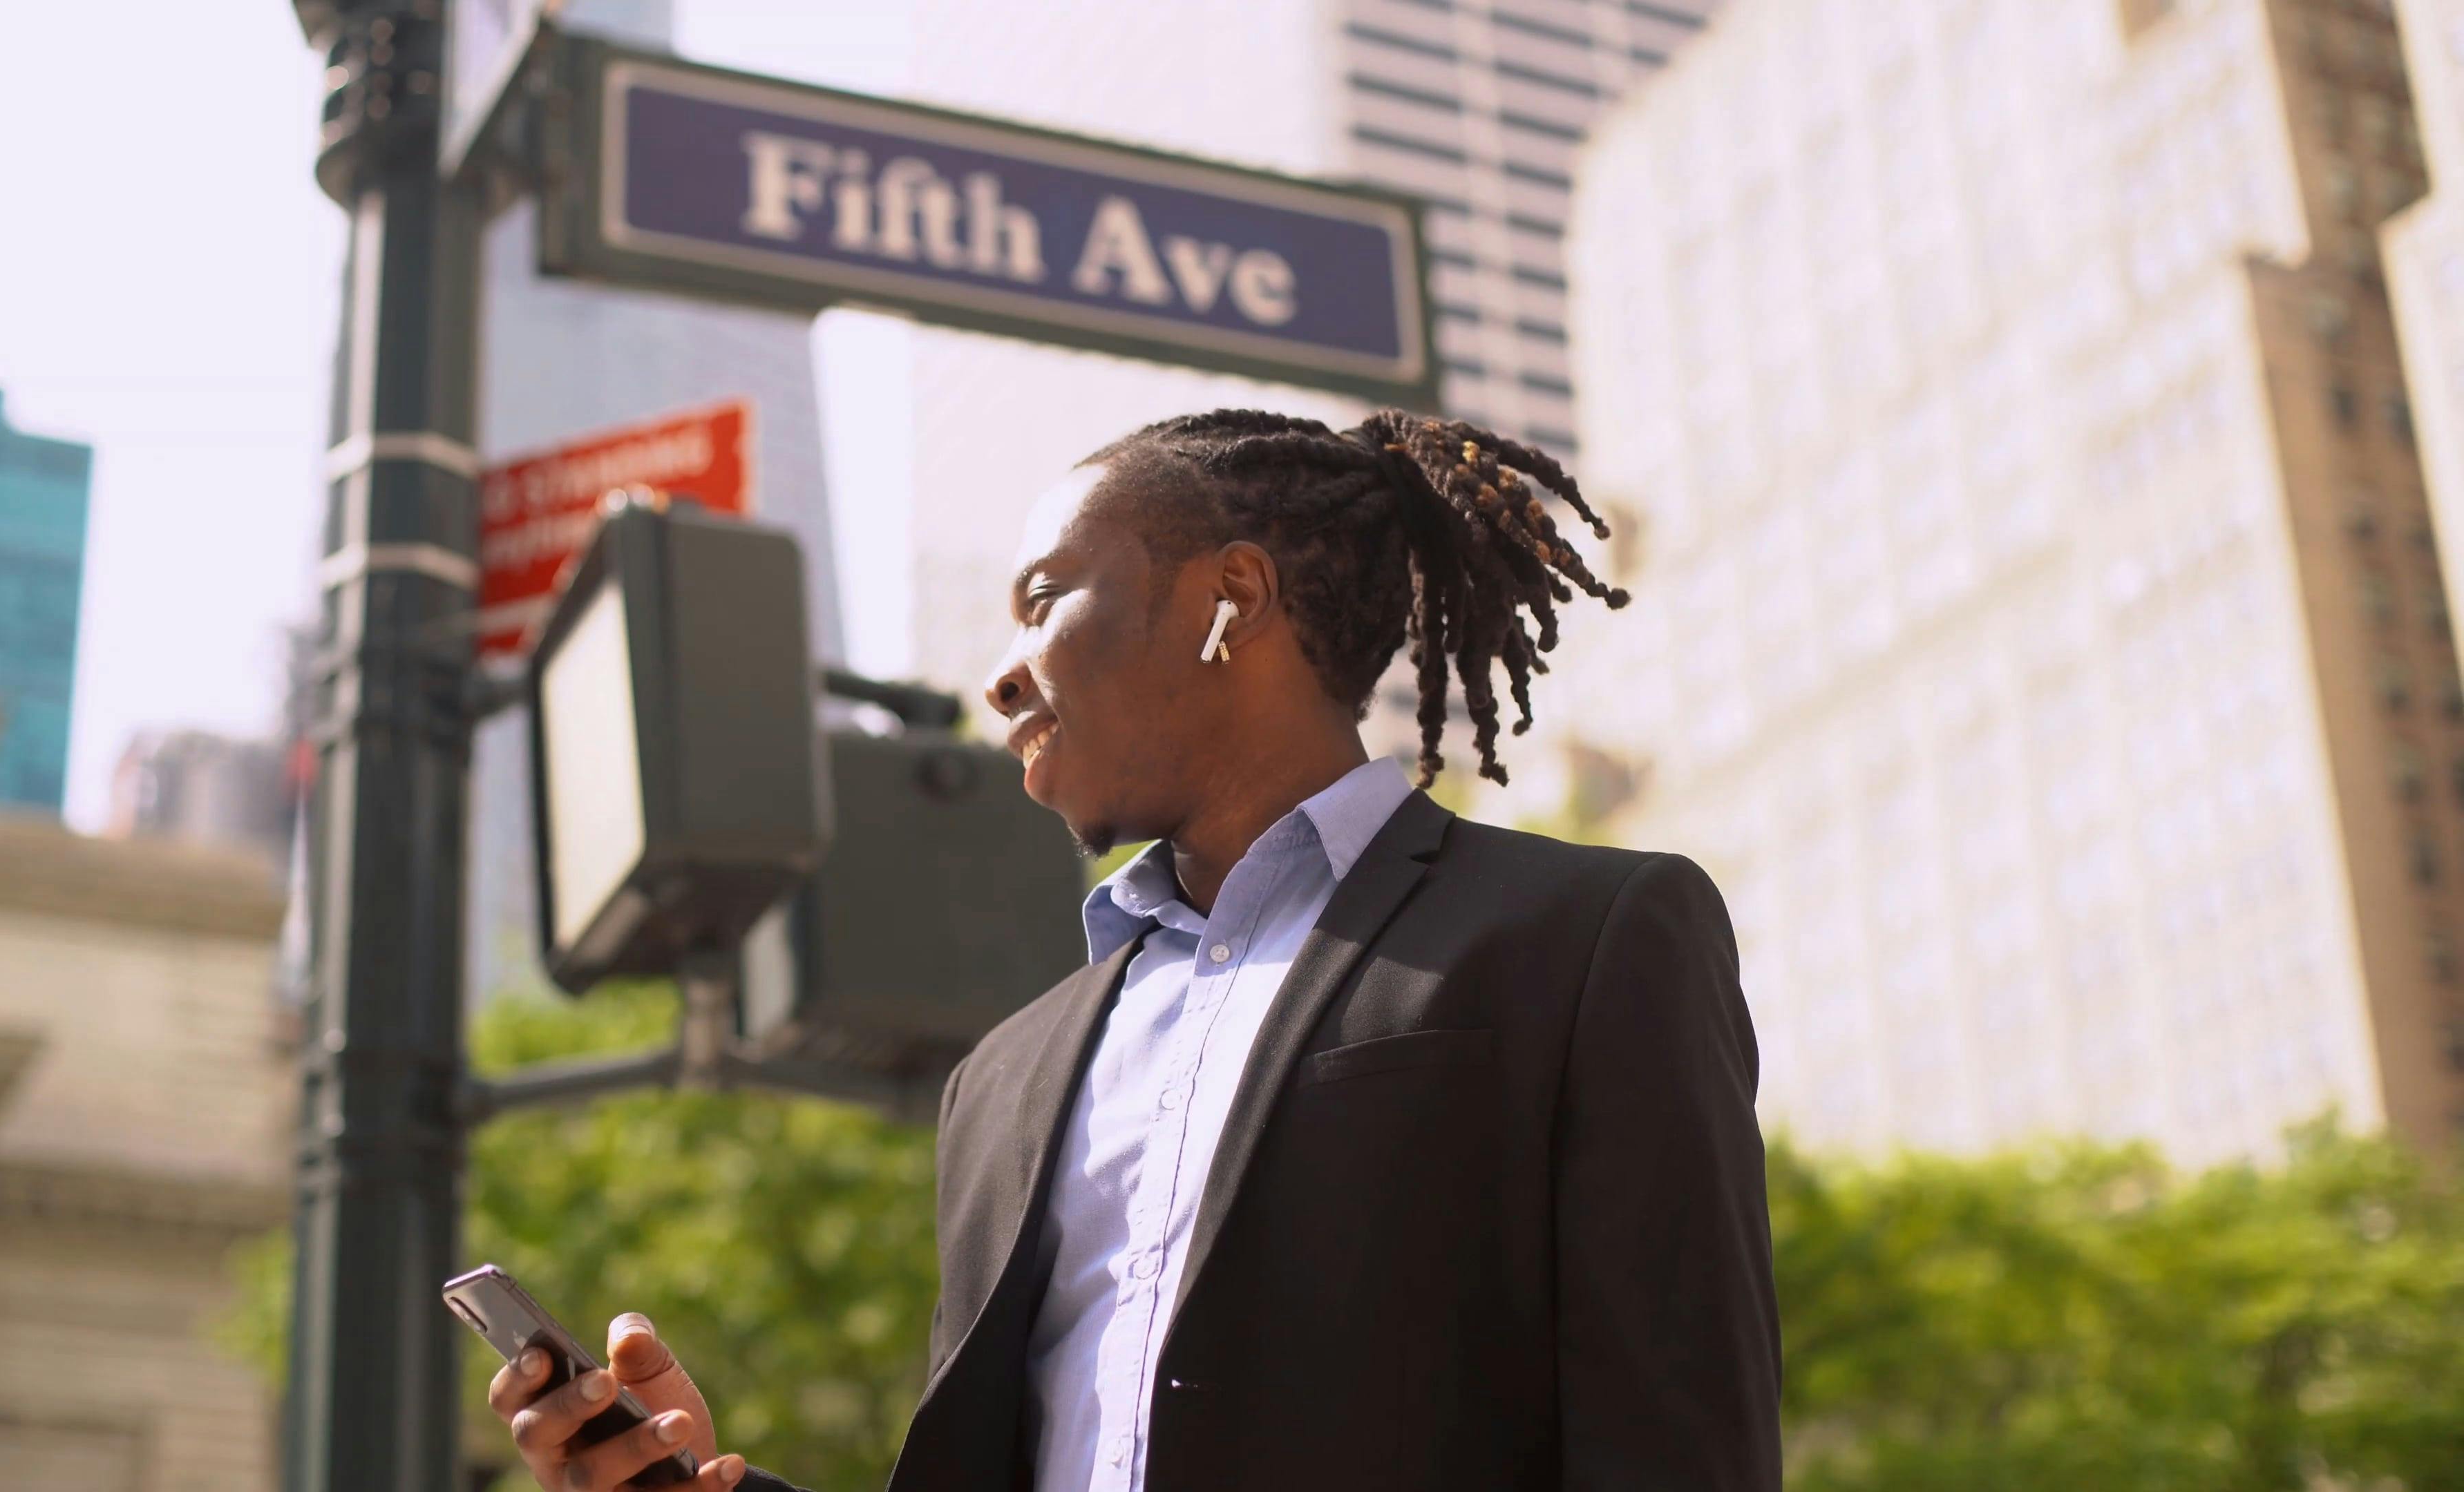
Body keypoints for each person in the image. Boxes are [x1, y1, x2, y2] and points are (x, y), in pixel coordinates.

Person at [488, 408, 1782, 1491]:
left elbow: (1679, 1447)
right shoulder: (1005, 1077)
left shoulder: (1588, 937)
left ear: (1232, 598)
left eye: (1045, 598)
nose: (999, 675)